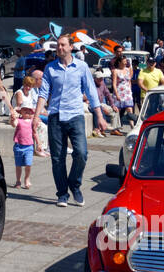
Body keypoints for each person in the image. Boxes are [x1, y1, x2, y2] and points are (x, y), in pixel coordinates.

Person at [36, 34, 109, 207]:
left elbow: (91, 92)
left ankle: (74, 185)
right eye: (57, 46)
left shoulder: (82, 67)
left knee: (82, 154)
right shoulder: (50, 68)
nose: (59, 48)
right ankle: (62, 194)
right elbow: (43, 93)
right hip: (55, 116)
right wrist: (35, 116)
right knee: (57, 158)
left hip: (75, 115)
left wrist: (99, 116)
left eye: (62, 45)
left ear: (70, 47)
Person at [11, 106, 35, 190]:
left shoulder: (32, 121)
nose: (27, 111)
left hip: (29, 146)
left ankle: (27, 178)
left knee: (28, 164)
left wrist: (39, 144)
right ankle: (18, 180)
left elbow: (36, 130)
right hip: (18, 146)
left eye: (29, 110)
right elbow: (14, 124)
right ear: (21, 112)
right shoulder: (19, 121)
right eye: (25, 110)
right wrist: (13, 119)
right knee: (18, 165)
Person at [111, 55, 134, 132]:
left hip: (127, 92)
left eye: (126, 61)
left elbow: (129, 80)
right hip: (119, 91)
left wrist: (130, 90)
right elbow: (114, 83)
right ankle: (116, 127)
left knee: (129, 109)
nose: (125, 62)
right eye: (124, 61)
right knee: (118, 110)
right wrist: (116, 94)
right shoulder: (115, 71)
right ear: (119, 62)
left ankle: (132, 126)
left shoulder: (128, 70)